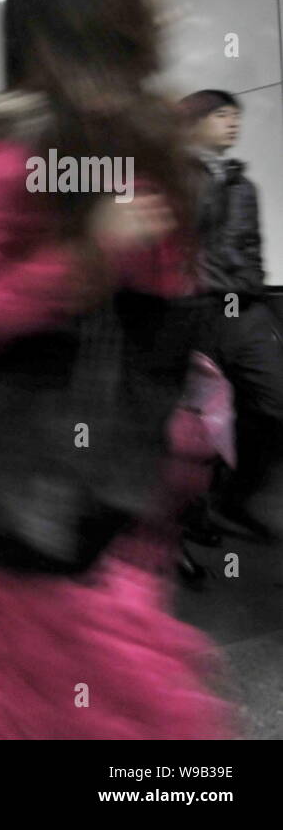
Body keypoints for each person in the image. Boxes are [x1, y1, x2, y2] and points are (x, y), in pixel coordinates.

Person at [0, 0, 231, 739]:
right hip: (37, 490)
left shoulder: (140, 144)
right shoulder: (5, 157)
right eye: (135, 2)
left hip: (128, 490)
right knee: (130, 715)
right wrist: (84, 258)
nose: (162, 12)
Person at [181, 88, 282, 540]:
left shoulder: (243, 186)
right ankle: (193, 510)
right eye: (221, 115)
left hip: (244, 309)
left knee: (273, 401)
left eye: (235, 115)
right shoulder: (176, 179)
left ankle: (232, 500)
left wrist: (248, 283)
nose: (233, 122)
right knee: (193, 417)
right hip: (195, 310)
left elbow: (251, 248)